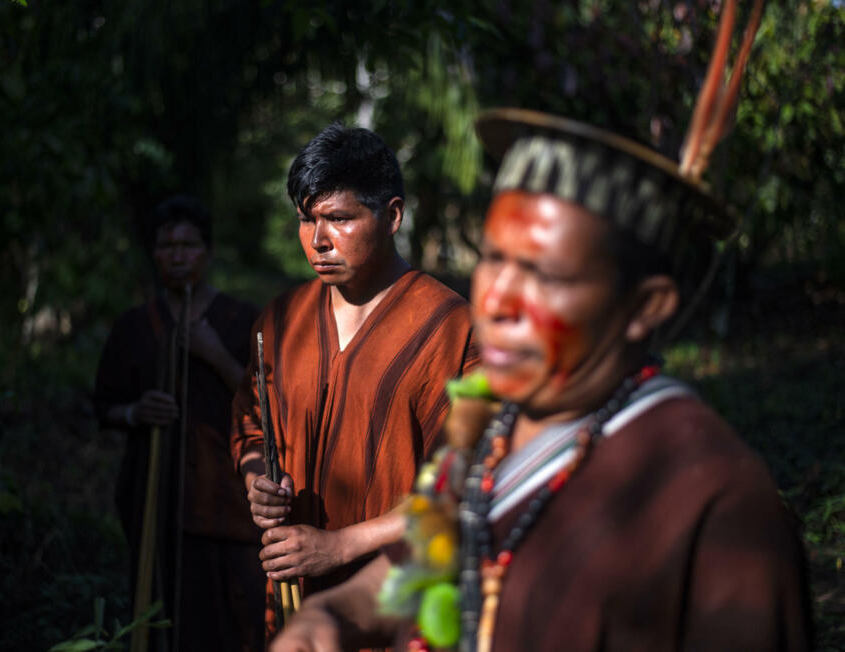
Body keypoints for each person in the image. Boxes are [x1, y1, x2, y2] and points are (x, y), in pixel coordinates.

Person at [269, 5, 812, 650]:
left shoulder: (713, 500)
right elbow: (437, 557)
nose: (497, 297)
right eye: (494, 258)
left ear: (647, 307)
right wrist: (339, 616)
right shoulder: (495, 434)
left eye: (546, 275)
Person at [230, 124, 480, 638]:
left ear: (391, 216)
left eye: (339, 219)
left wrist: (339, 546)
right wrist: (258, 482)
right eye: (306, 220)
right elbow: (251, 427)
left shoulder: (451, 328)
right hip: (294, 605)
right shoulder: (283, 318)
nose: (318, 241)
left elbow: (465, 484)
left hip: (398, 607)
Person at [94, 195, 265, 651]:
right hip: (153, 489)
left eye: (188, 245)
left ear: (207, 252)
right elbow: (104, 406)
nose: (177, 255)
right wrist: (135, 412)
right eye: (167, 245)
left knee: (231, 612)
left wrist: (214, 354)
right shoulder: (134, 326)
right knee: (161, 598)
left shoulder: (240, 319)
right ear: (154, 254)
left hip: (226, 496)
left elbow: (267, 400)